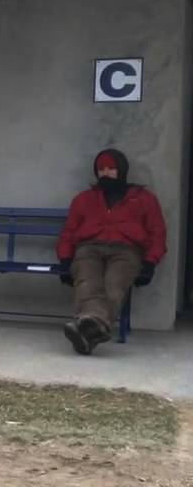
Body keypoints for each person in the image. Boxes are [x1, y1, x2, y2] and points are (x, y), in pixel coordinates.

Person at [57, 148, 166, 355]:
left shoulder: (144, 199)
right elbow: (69, 232)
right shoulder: (84, 199)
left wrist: (150, 262)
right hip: (89, 247)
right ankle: (93, 329)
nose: (106, 173)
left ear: (121, 170)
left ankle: (86, 326)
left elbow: (157, 232)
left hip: (126, 250)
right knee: (87, 279)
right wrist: (65, 259)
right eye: (101, 169)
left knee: (114, 282)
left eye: (111, 168)